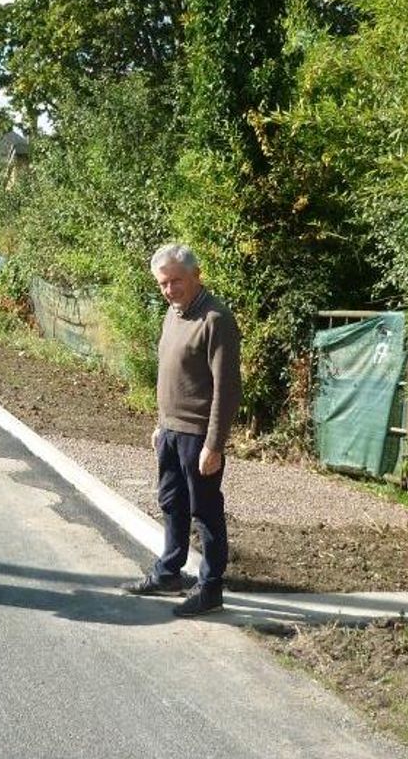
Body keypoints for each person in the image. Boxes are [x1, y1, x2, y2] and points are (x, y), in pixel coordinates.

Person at [122, 243, 242, 617]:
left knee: (205, 512)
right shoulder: (173, 314)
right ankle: (169, 572)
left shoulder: (215, 319)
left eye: (176, 281)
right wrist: (161, 425)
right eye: (163, 284)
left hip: (198, 435)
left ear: (196, 276)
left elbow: (227, 388)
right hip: (171, 432)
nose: (170, 290)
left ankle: (210, 589)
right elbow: (169, 376)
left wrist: (214, 444)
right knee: (171, 502)